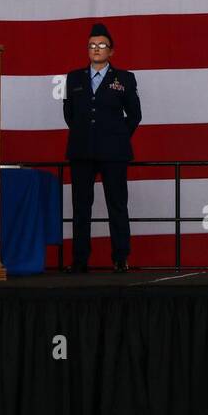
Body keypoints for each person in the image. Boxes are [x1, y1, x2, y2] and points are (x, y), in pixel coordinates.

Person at [63, 22, 141, 273]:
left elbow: (135, 115)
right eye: (92, 46)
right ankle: (80, 259)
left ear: (111, 51)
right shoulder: (74, 77)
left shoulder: (125, 79)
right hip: (82, 150)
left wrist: (116, 135)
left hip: (114, 152)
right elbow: (69, 114)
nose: (96, 50)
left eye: (102, 46)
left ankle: (120, 257)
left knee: (117, 205)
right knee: (80, 207)